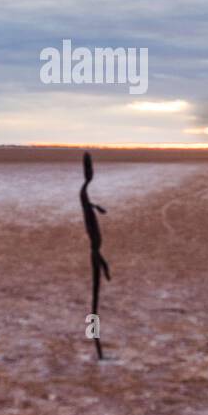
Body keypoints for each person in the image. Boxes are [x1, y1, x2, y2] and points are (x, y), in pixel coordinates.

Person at [79, 151, 110, 360]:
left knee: (96, 299)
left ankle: (97, 344)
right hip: (94, 254)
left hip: (97, 253)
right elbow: (85, 200)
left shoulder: (88, 202)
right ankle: (97, 345)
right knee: (95, 300)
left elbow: (88, 204)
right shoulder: (85, 198)